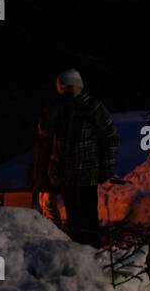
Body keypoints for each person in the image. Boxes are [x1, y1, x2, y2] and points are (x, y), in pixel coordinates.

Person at [37, 69, 118, 247]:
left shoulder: (93, 106)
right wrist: (53, 109)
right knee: (73, 214)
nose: (65, 92)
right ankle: (77, 249)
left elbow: (110, 135)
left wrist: (107, 166)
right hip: (65, 172)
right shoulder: (59, 107)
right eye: (63, 89)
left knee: (88, 212)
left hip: (87, 171)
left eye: (68, 87)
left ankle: (93, 248)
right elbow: (44, 130)